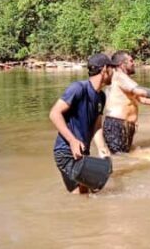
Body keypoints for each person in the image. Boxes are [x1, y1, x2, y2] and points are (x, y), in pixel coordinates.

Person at [49, 53, 116, 194]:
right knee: (79, 195)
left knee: (88, 194)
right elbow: (54, 113)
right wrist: (72, 141)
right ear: (104, 69)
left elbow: (97, 126)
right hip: (66, 151)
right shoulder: (78, 88)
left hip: (82, 153)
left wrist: (103, 150)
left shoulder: (101, 96)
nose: (114, 73)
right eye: (112, 69)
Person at [101, 51, 150, 154]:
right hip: (116, 125)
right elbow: (140, 91)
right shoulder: (119, 77)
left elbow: (142, 99)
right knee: (120, 157)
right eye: (131, 61)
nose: (133, 63)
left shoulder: (124, 80)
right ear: (122, 64)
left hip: (122, 125)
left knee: (124, 157)